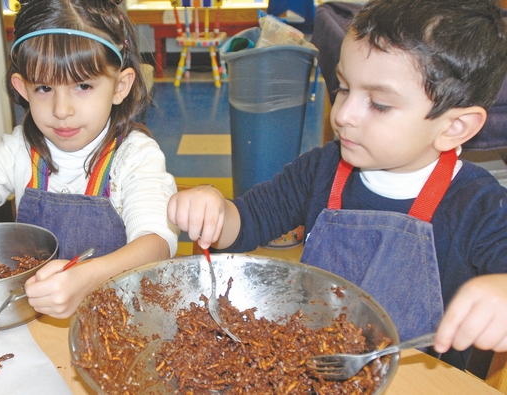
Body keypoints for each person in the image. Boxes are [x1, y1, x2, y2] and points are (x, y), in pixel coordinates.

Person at [168, 0, 507, 370]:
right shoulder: (322, 169)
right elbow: (247, 222)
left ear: (453, 128)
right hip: (312, 368)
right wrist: (215, 209)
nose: (343, 115)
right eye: (344, 88)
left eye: (378, 104)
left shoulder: (481, 205)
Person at [0, 0, 178, 319]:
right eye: (44, 87)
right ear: (22, 88)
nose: (62, 110)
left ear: (120, 86)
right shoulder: (20, 152)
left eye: (83, 86)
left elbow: (156, 243)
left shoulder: (134, 156)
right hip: (38, 325)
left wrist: (88, 278)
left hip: (122, 321)